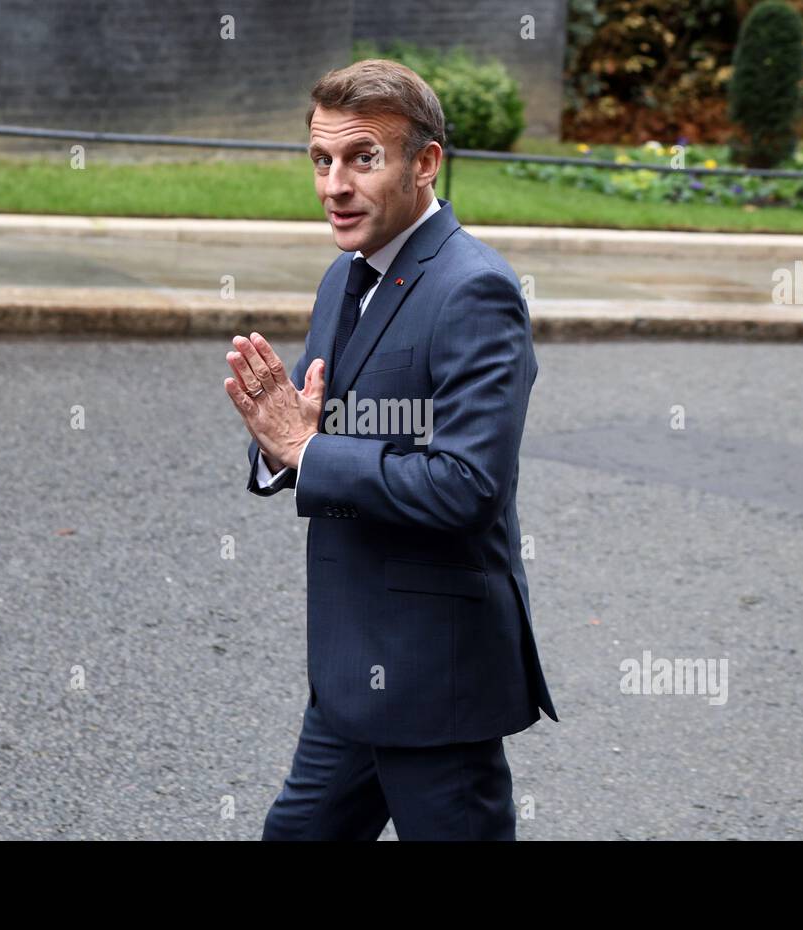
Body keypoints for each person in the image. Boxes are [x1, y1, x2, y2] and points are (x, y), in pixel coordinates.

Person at [222, 58, 557, 841]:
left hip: (435, 681)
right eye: (321, 159)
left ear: (425, 162)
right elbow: (307, 434)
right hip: (351, 676)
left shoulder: (476, 291)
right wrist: (278, 450)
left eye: (362, 158)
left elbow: (466, 484)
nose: (333, 185)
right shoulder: (344, 276)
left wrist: (307, 452)